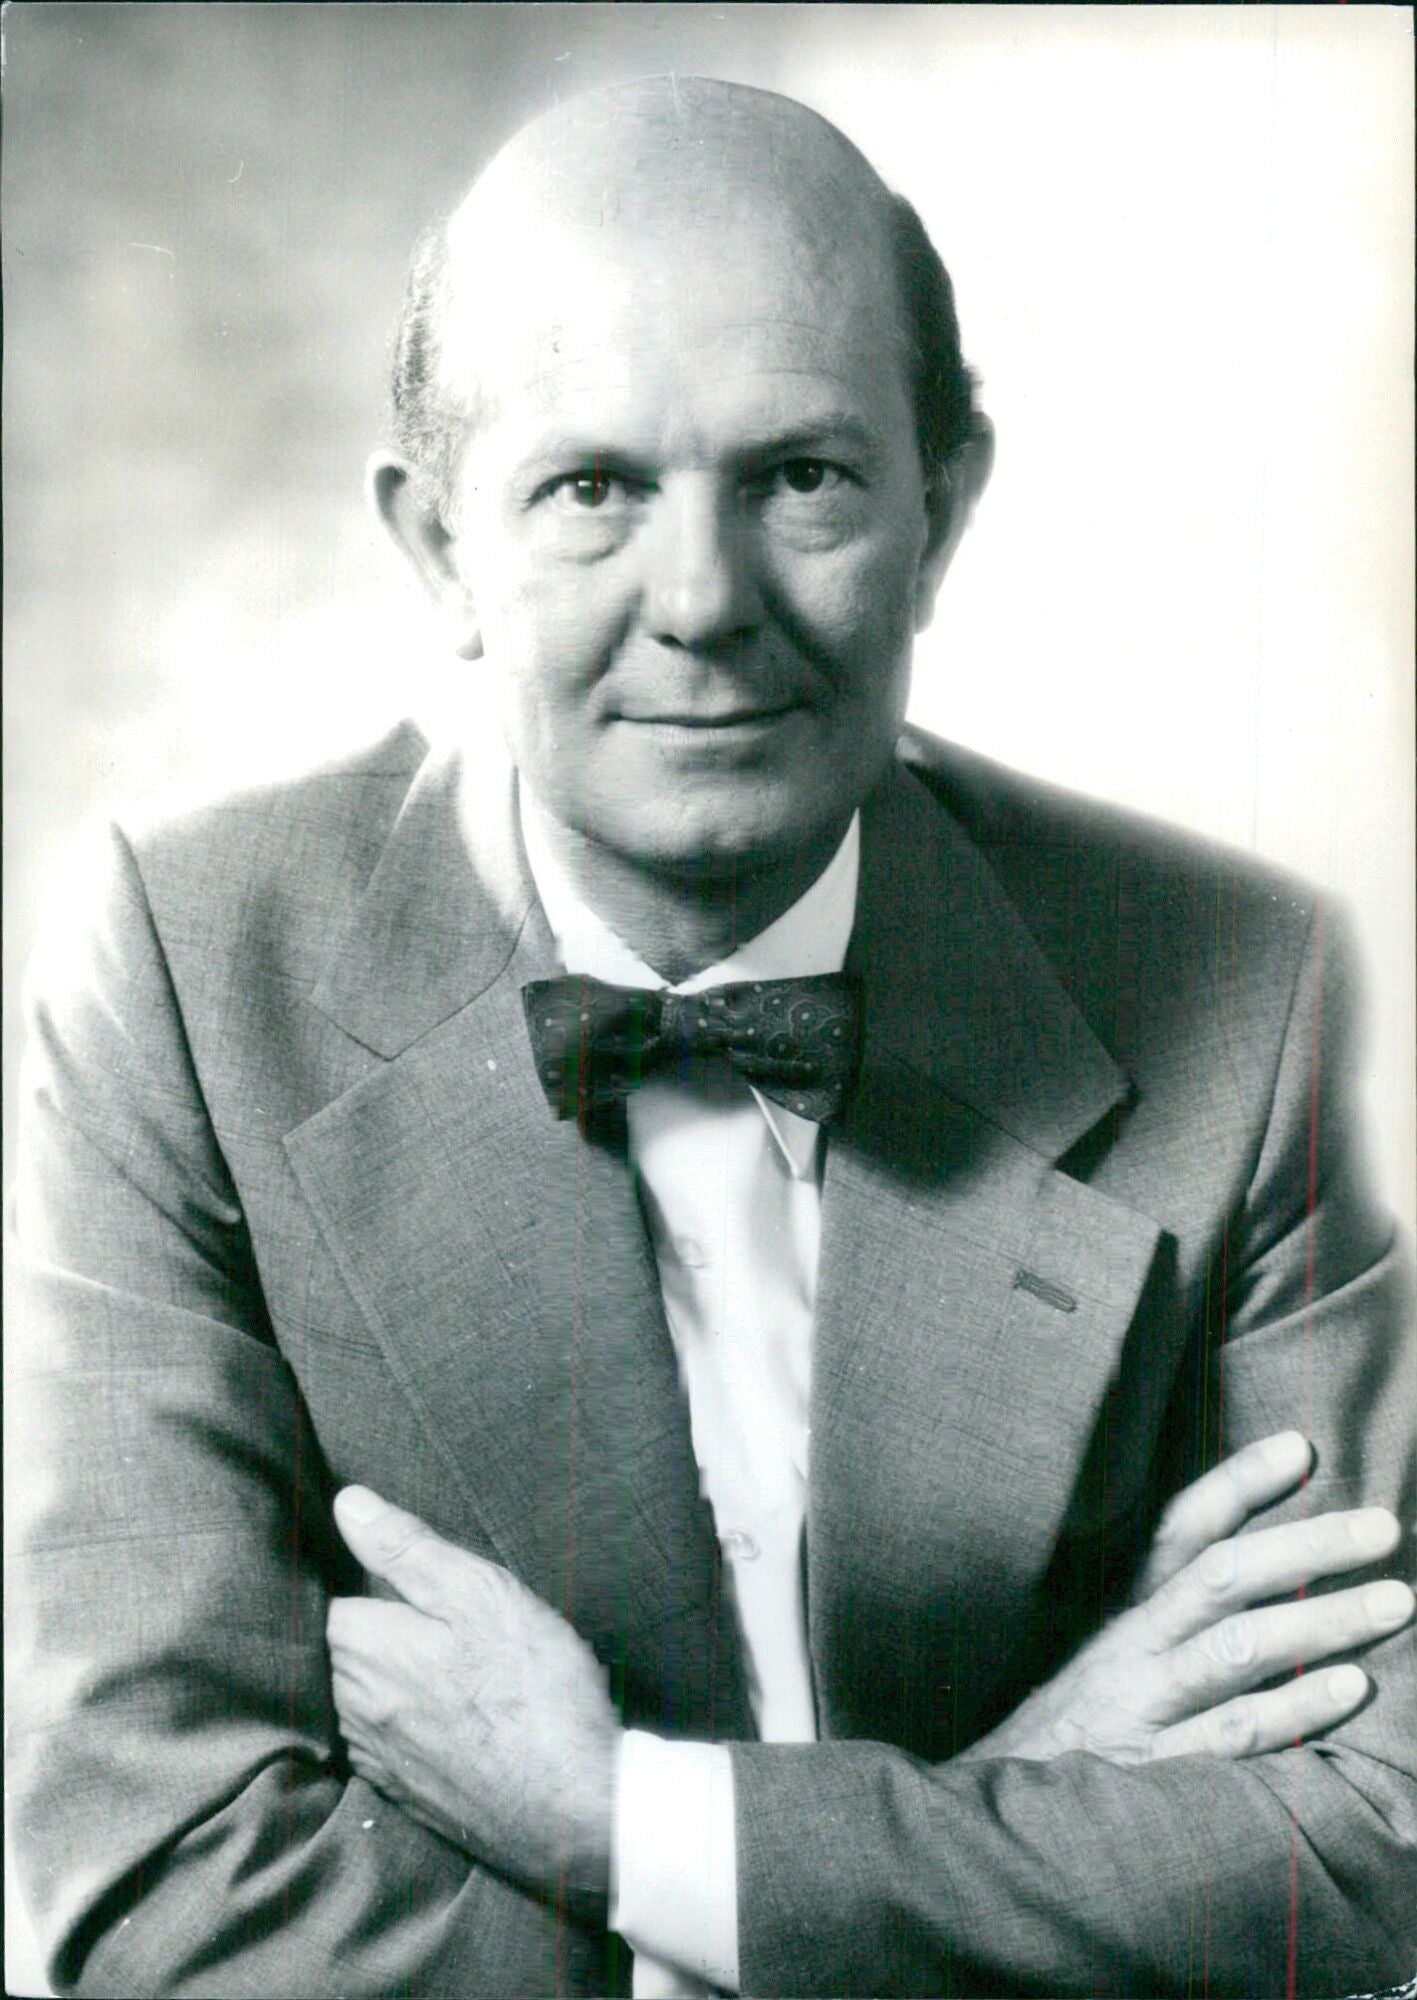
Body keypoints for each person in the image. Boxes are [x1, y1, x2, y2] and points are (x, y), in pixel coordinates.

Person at [8, 75, 1415, 2000]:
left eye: (803, 477)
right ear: (437, 550)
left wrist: (621, 1832)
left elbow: (1371, 1835)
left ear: (941, 513)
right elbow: (157, 1900)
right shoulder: (184, 977)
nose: (702, 602)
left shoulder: (1236, 985)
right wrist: (979, 1816)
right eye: (592, 488)